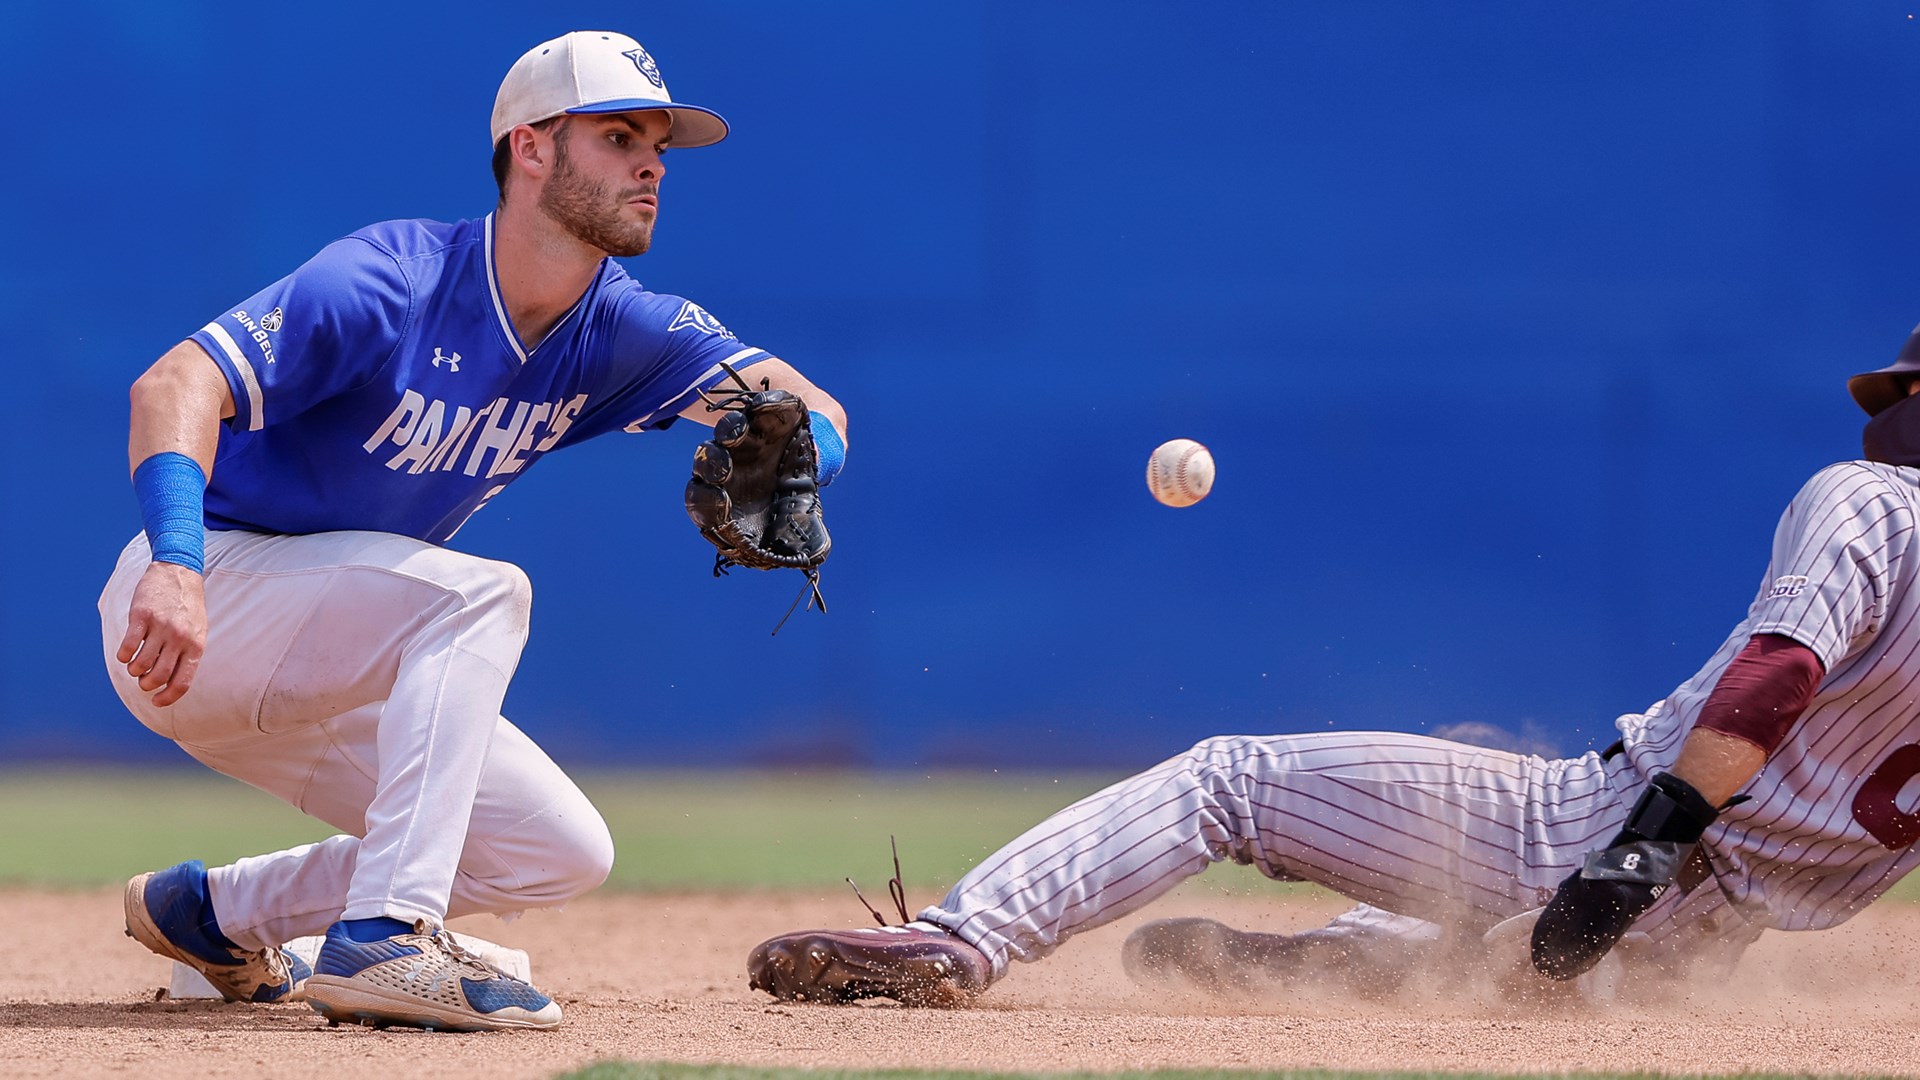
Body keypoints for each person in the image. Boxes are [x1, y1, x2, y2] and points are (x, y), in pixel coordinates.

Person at [748, 328, 1920, 1007]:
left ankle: (969, 940)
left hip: (1598, 843)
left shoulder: (1873, 501)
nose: (1884, 412)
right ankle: (1354, 964)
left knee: (1229, 779)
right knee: (1478, 887)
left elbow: (1771, 680)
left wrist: (1623, 868)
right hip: (1696, 952)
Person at [103, 30, 847, 1032]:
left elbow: (816, 412)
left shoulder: (623, 330)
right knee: (481, 593)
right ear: (531, 148)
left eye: (660, 145)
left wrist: (794, 457)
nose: (651, 163)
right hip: (207, 605)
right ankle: (387, 940)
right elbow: (176, 382)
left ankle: (210, 915)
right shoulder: (390, 280)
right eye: (619, 134)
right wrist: (178, 568)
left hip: (345, 645)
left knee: (555, 851)